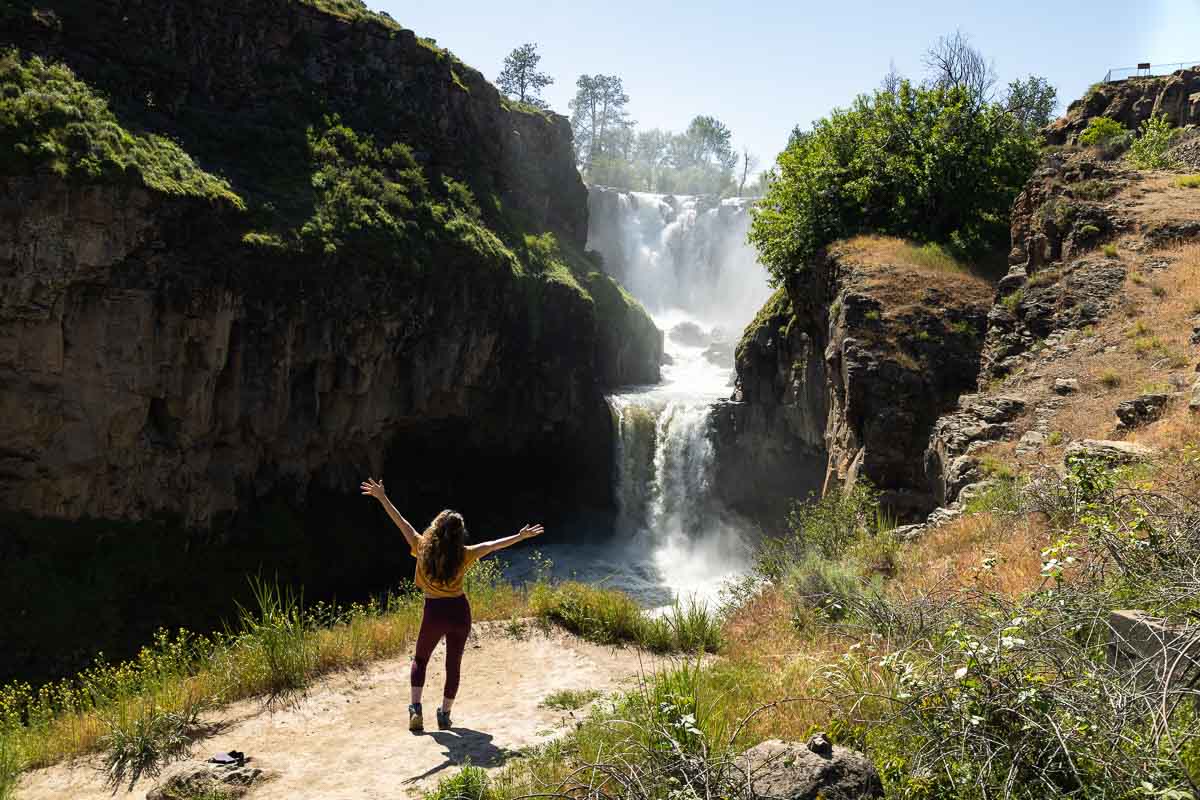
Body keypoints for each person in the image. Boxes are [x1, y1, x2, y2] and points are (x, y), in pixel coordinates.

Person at [360, 477, 544, 732]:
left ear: (436, 528)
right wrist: (520, 536)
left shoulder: (421, 546)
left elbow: (400, 521)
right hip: (459, 611)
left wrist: (382, 497)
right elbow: (492, 546)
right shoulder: (465, 553)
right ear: (459, 534)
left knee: (421, 660)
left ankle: (416, 709)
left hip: (433, 611)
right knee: (453, 664)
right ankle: (445, 715)